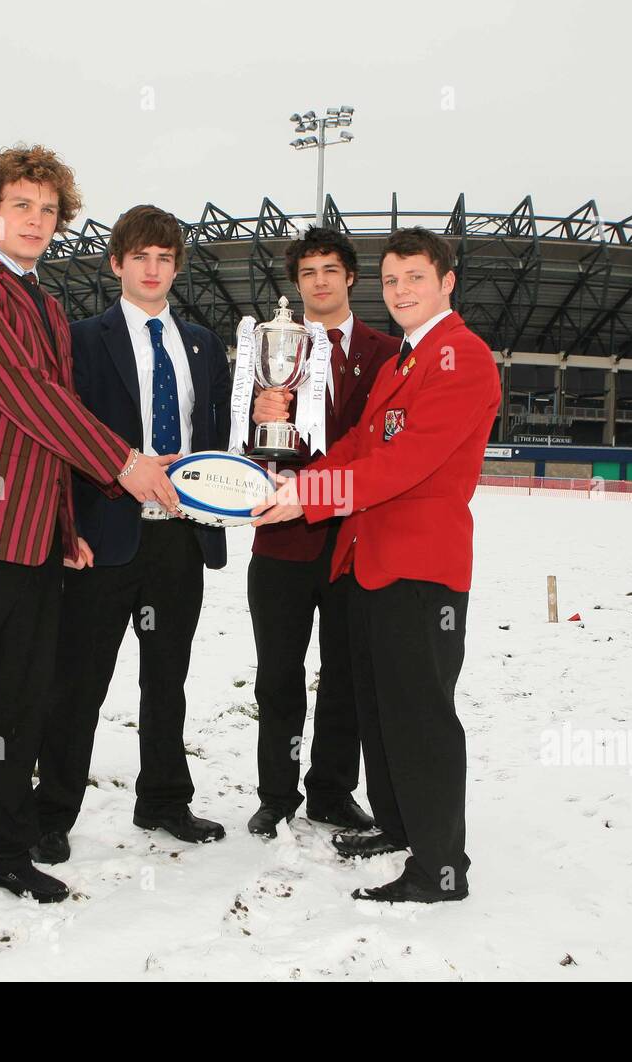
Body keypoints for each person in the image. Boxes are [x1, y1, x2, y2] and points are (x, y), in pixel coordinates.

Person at [0, 147, 177, 973]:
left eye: (49, 209)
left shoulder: (48, 304)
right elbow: (23, 394)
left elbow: (40, 442)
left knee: (16, 715)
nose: (34, 219)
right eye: (19, 204)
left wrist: (66, 526)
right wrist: (124, 463)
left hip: (30, 544)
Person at [253, 227, 500, 903]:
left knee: (420, 717)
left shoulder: (462, 357)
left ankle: (440, 868)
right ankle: (398, 824)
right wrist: (290, 491)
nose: (402, 292)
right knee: (383, 711)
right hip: (365, 563)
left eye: (415, 278)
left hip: (420, 570)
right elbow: (359, 446)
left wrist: (307, 494)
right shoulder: (404, 364)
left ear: (447, 281)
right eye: (392, 281)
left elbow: (400, 466)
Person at [33, 205, 231, 857]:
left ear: (177, 266)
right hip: (105, 535)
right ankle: (51, 813)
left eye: (165, 258)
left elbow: (216, 440)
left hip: (179, 537)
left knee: (166, 678)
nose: (153, 269)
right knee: (79, 682)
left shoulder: (202, 345)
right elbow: (62, 438)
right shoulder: (84, 339)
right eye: (140, 256)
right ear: (116, 263)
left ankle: (164, 801)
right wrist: (67, 527)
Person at [245, 227, 398, 839]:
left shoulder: (388, 352)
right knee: (278, 675)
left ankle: (331, 791)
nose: (320, 282)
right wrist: (259, 422)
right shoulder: (269, 349)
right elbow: (250, 452)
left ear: (351, 277)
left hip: (354, 538)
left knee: (346, 675)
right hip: (282, 540)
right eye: (308, 273)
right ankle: (276, 793)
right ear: (296, 282)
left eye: (330, 270)